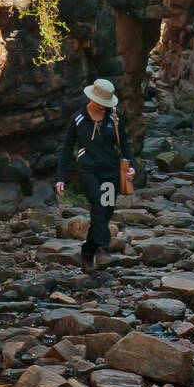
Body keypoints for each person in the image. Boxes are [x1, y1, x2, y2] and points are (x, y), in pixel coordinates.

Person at [55, 78, 135, 272]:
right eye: (100, 102)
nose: (103, 106)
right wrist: (60, 177)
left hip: (111, 173)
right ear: (93, 97)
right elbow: (67, 150)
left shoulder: (115, 117)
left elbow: (125, 144)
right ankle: (102, 251)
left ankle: (88, 251)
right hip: (88, 171)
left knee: (105, 211)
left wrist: (130, 166)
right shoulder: (78, 118)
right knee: (99, 204)